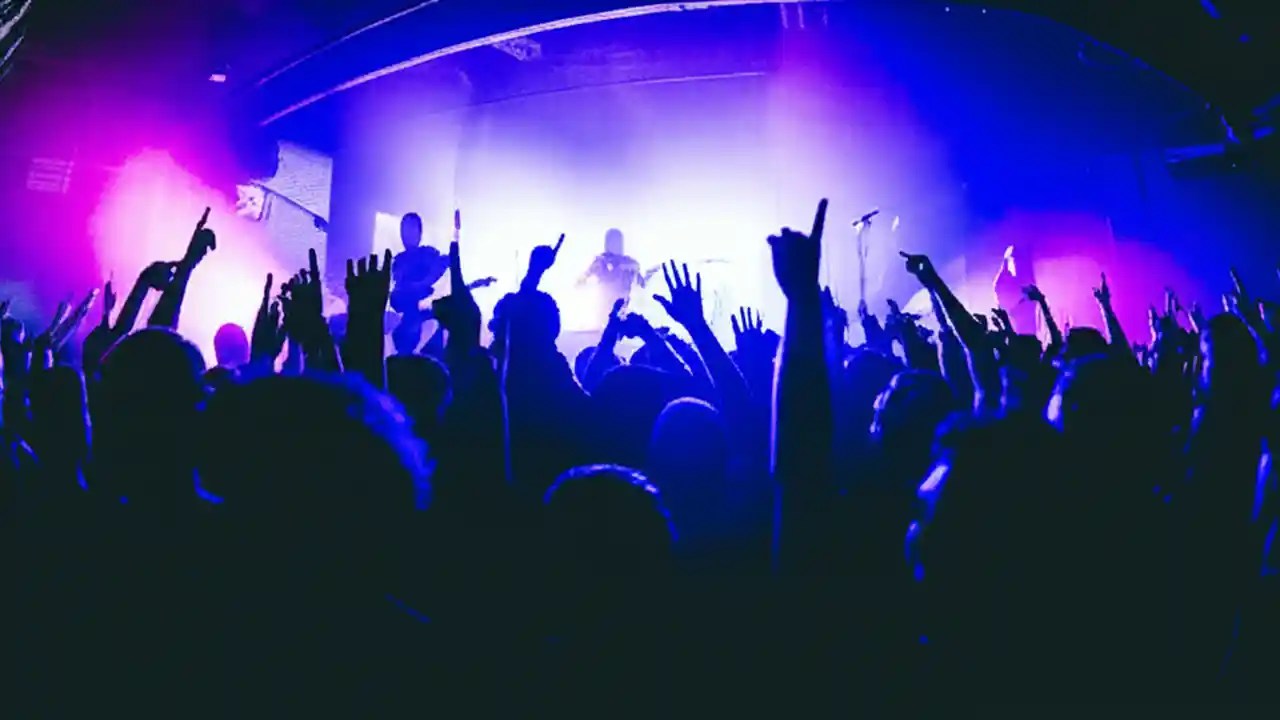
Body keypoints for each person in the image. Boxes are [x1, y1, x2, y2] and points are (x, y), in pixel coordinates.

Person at [389, 212, 450, 353]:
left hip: (426, 316)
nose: (406, 234)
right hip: (408, 318)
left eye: (411, 228)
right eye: (403, 229)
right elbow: (398, 295)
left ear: (420, 232)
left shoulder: (429, 254)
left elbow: (443, 266)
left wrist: (422, 284)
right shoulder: (398, 261)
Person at [578, 228, 647, 327]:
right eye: (612, 242)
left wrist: (642, 283)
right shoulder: (601, 261)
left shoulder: (628, 263)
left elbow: (638, 277)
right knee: (606, 316)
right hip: (606, 296)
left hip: (621, 297)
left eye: (616, 242)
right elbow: (588, 272)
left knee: (617, 317)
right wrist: (582, 280)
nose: (615, 245)